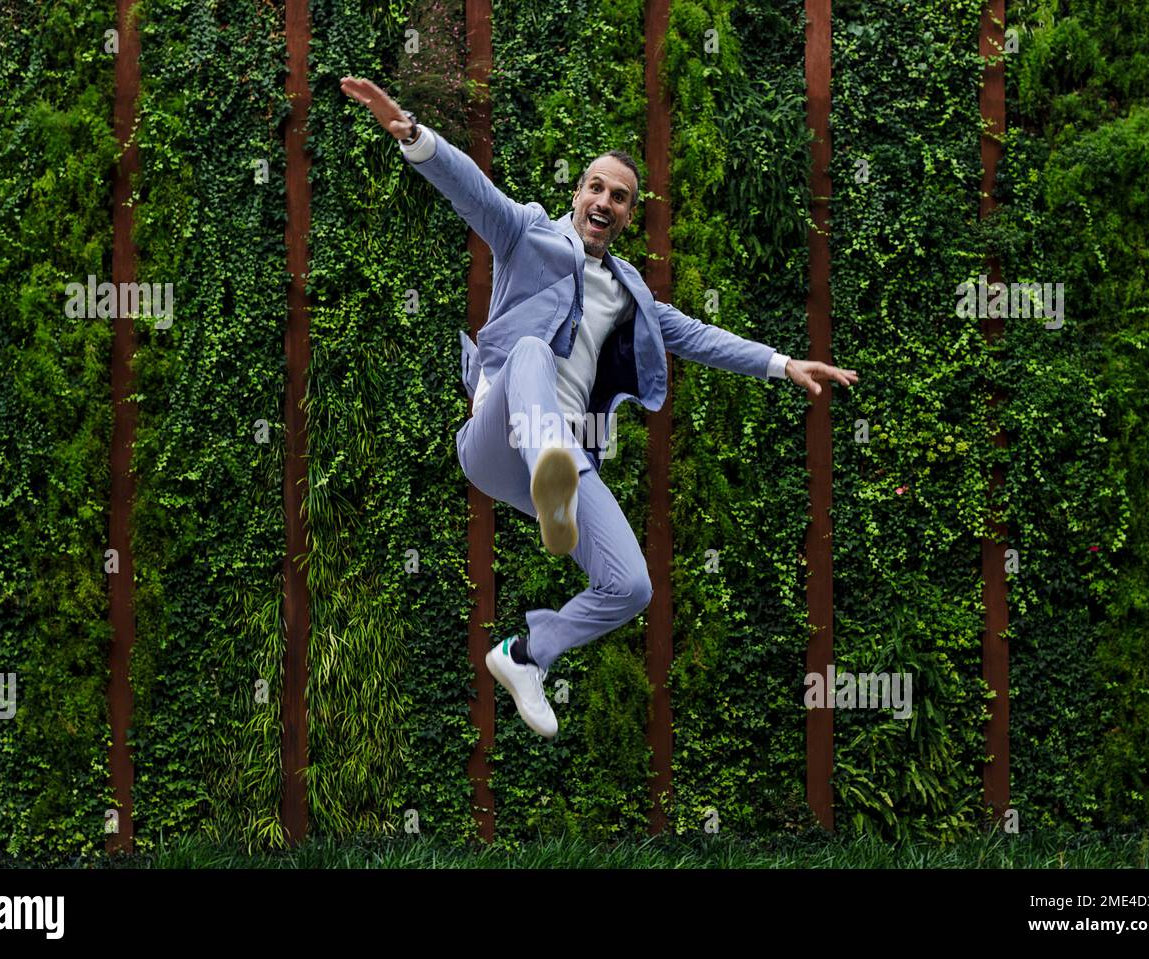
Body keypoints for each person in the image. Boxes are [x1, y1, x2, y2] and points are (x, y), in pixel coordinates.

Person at [340, 76, 858, 739]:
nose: (605, 200)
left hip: (561, 457)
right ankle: (548, 462)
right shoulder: (529, 234)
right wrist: (413, 135)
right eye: (596, 187)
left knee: (630, 584)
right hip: (499, 434)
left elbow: (699, 336)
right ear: (577, 194)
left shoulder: (630, 290)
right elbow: (471, 191)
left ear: (627, 214)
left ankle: (526, 655)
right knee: (529, 350)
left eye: (620, 196)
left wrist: (783, 363)